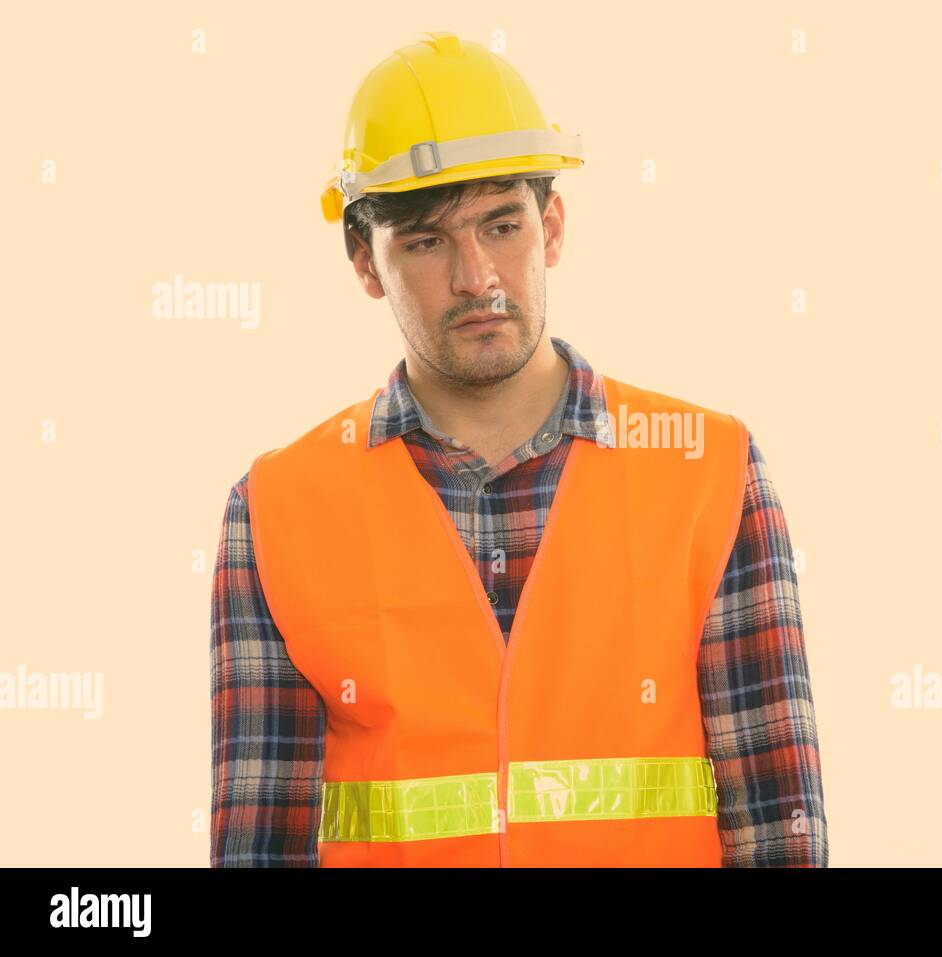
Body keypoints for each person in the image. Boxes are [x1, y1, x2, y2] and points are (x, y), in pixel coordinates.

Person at [209, 30, 827, 867]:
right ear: (365, 262)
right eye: (426, 241)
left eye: (502, 225)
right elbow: (259, 843)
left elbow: (778, 819)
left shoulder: (709, 469)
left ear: (554, 226)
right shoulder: (278, 508)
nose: (477, 276)